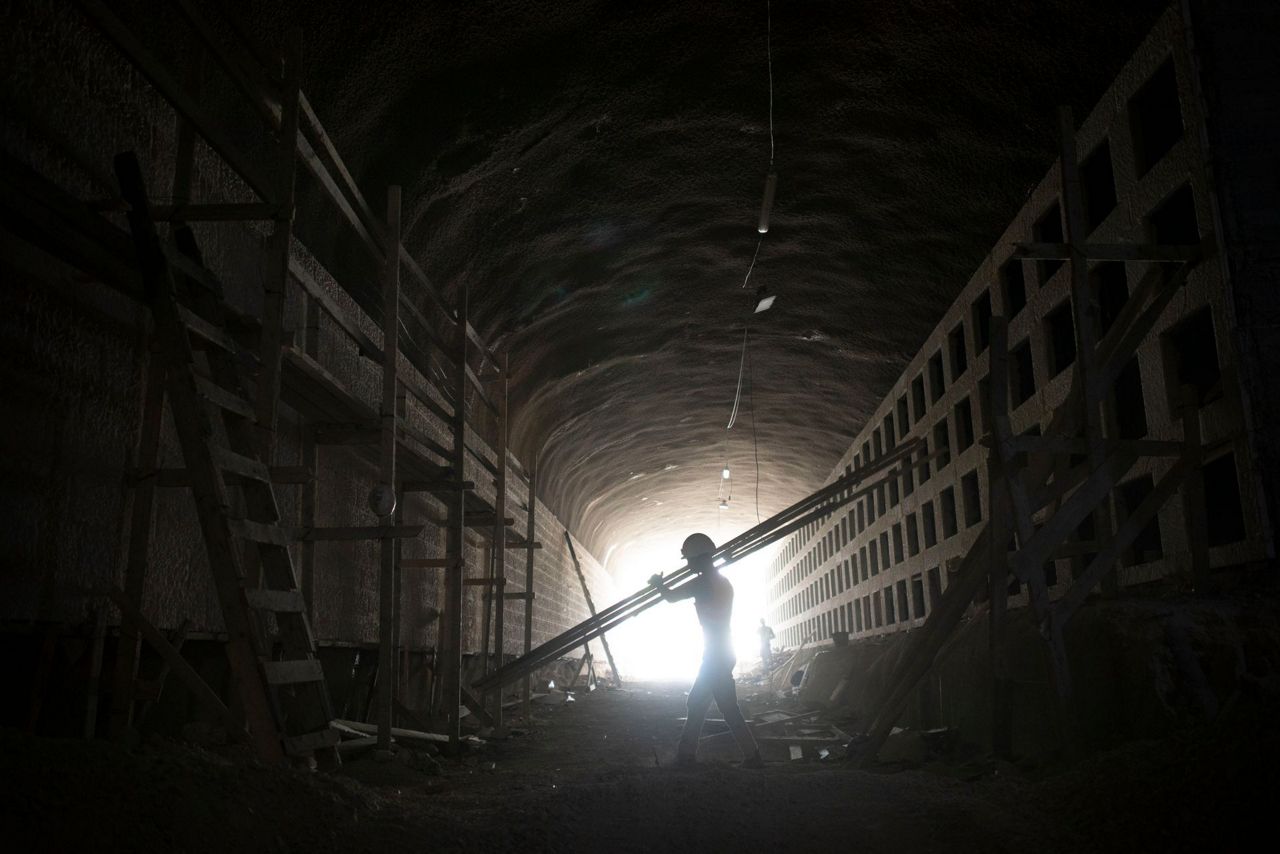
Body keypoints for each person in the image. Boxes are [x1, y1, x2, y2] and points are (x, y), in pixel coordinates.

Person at [649, 532, 763, 768]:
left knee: (719, 706)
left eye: (690, 560)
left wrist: (659, 585)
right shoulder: (720, 581)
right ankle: (688, 754)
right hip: (721, 649)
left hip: (716, 653)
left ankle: (749, 757)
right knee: (699, 703)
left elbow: (671, 597)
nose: (689, 565)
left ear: (700, 559)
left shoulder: (704, 582)